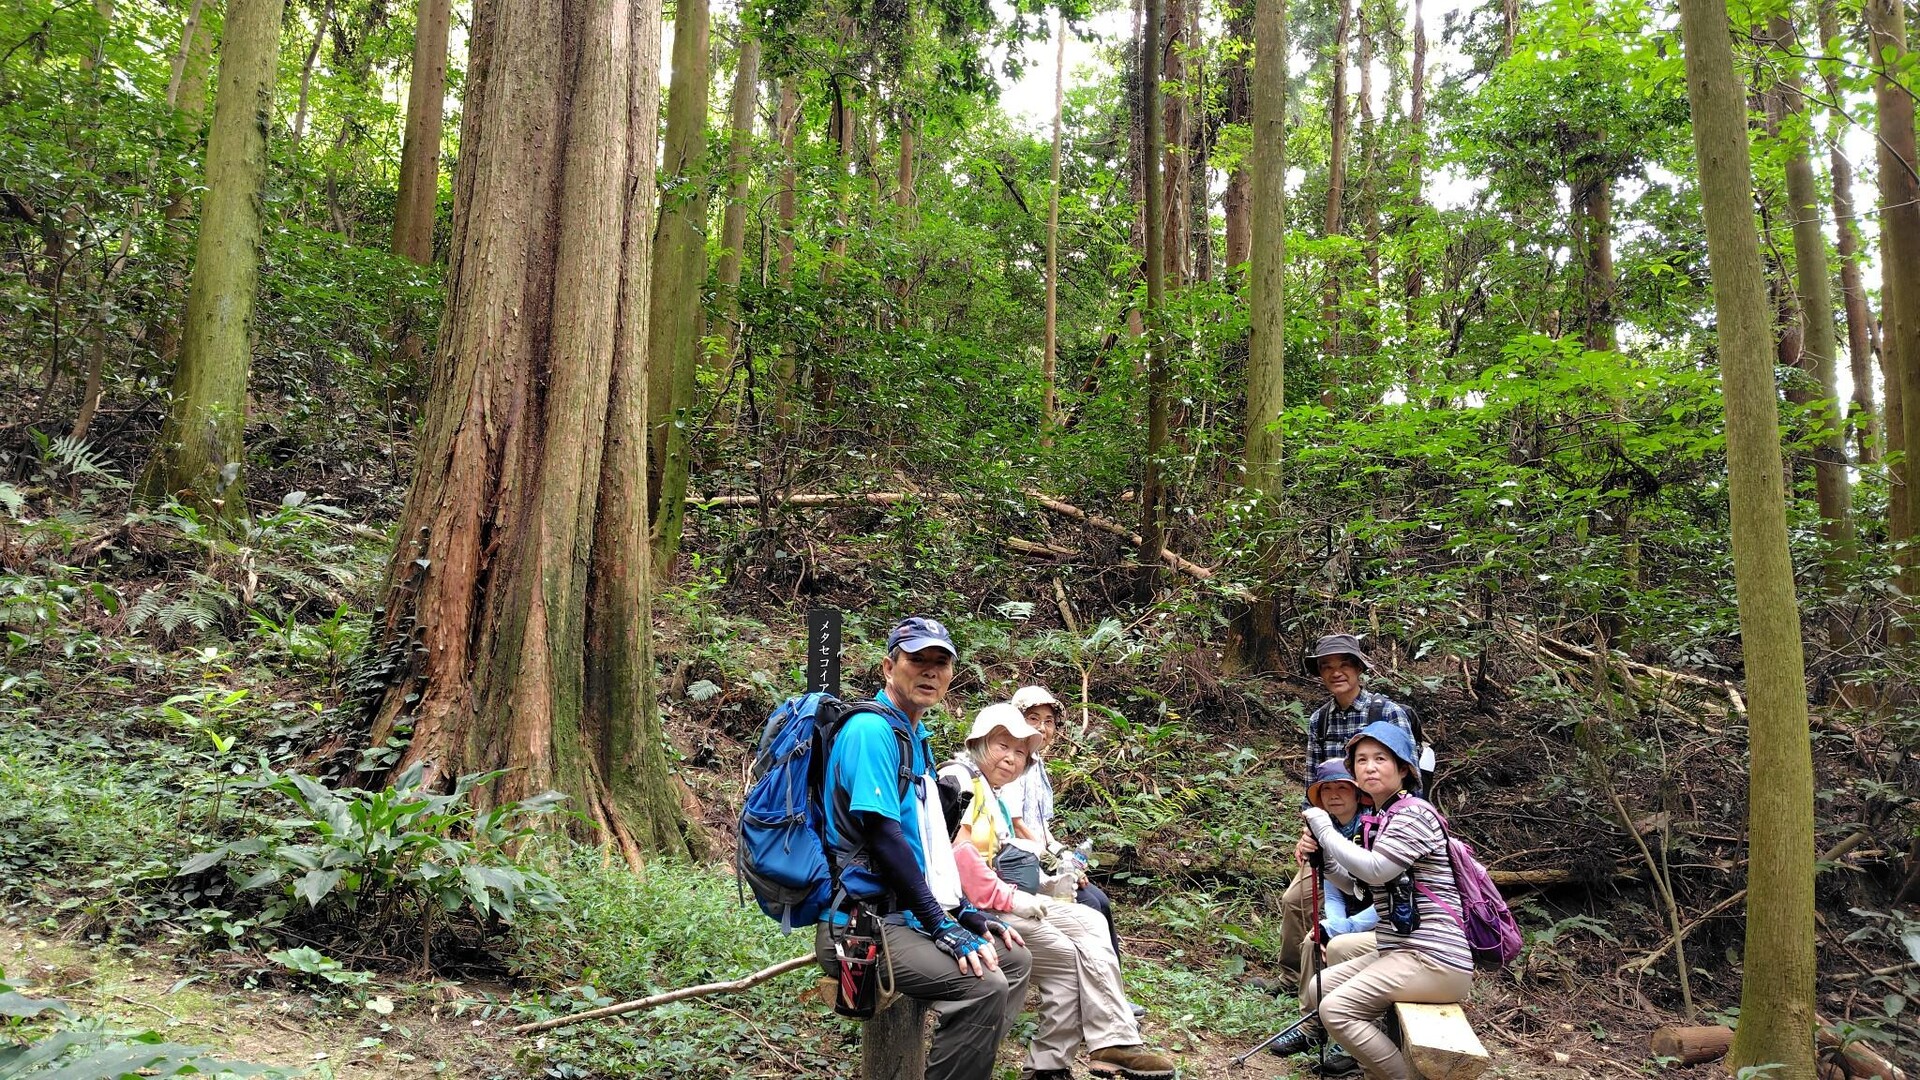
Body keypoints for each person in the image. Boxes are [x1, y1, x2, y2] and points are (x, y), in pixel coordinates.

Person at [814, 617, 1033, 1080]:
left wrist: (965, 913)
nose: (930, 671)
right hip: (863, 922)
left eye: (941, 662)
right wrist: (941, 924)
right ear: (888, 666)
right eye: (917, 660)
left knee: (1015, 957)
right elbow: (882, 836)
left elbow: (931, 846)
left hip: (903, 913)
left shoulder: (915, 737)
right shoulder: (871, 732)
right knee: (987, 984)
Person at [941, 704, 1175, 1080]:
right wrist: (1017, 899)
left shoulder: (993, 792)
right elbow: (961, 858)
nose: (1011, 758)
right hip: (969, 912)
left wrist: (1049, 883)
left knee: (1091, 920)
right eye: (1003, 746)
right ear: (980, 743)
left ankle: (1114, 1042)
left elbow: (1002, 860)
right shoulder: (960, 778)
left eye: (1020, 752)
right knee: (1067, 958)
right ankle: (1050, 1064)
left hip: (998, 900)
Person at [1268, 720, 1474, 1080]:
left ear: (1404, 768)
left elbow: (1377, 869)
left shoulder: (1414, 813)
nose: (1370, 767)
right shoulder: (1384, 817)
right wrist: (1323, 860)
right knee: (1319, 988)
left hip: (1434, 957)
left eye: (1381, 758)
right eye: (1361, 760)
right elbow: (1359, 886)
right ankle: (1372, 1064)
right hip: (1403, 951)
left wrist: (1326, 831)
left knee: (1336, 1010)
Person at [1275, 635, 1421, 989]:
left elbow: (1410, 779)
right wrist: (1311, 831)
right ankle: (1294, 977)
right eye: (1327, 667)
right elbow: (1313, 784)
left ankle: (1351, 972)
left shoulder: (1386, 713)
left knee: (1377, 901)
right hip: (1335, 831)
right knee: (1295, 901)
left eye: (1344, 665)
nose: (1336, 673)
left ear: (1359, 669)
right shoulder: (1320, 720)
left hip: (1383, 832)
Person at [1004, 684, 1125, 967]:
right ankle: (1096, 984)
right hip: (1019, 866)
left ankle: (1114, 987)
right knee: (1090, 905)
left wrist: (1064, 857)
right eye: (1033, 719)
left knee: (1101, 901)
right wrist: (1055, 865)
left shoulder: (1037, 765)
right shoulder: (1014, 762)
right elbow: (1015, 823)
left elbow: (1041, 825)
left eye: (1048, 721)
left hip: (1039, 858)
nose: (1042, 728)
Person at [1298, 759, 1379, 990]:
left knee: (1335, 943)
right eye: (1326, 789)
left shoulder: (1374, 828)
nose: (1334, 795)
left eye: (1342, 787)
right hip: (1353, 915)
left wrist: (1339, 929)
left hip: (1382, 921)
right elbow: (1334, 893)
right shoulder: (1325, 830)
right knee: (1311, 941)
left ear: (1357, 793)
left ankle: (1331, 1012)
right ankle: (1312, 1018)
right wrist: (1333, 924)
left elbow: (1386, 899)